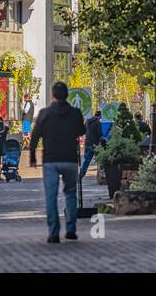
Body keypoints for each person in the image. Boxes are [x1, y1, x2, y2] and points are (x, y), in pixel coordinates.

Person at [29, 82, 86, 243]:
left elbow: (35, 136)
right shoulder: (75, 113)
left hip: (51, 160)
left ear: (53, 95)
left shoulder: (45, 113)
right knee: (70, 194)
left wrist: (32, 155)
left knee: (51, 196)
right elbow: (82, 131)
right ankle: (71, 229)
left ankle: (54, 232)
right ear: (67, 95)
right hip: (69, 159)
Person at [79, 109, 103, 179]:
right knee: (100, 160)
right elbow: (100, 133)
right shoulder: (97, 122)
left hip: (87, 143)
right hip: (95, 144)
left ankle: (80, 175)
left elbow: (83, 132)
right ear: (100, 116)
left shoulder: (87, 121)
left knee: (86, 161)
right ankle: (100, 177)